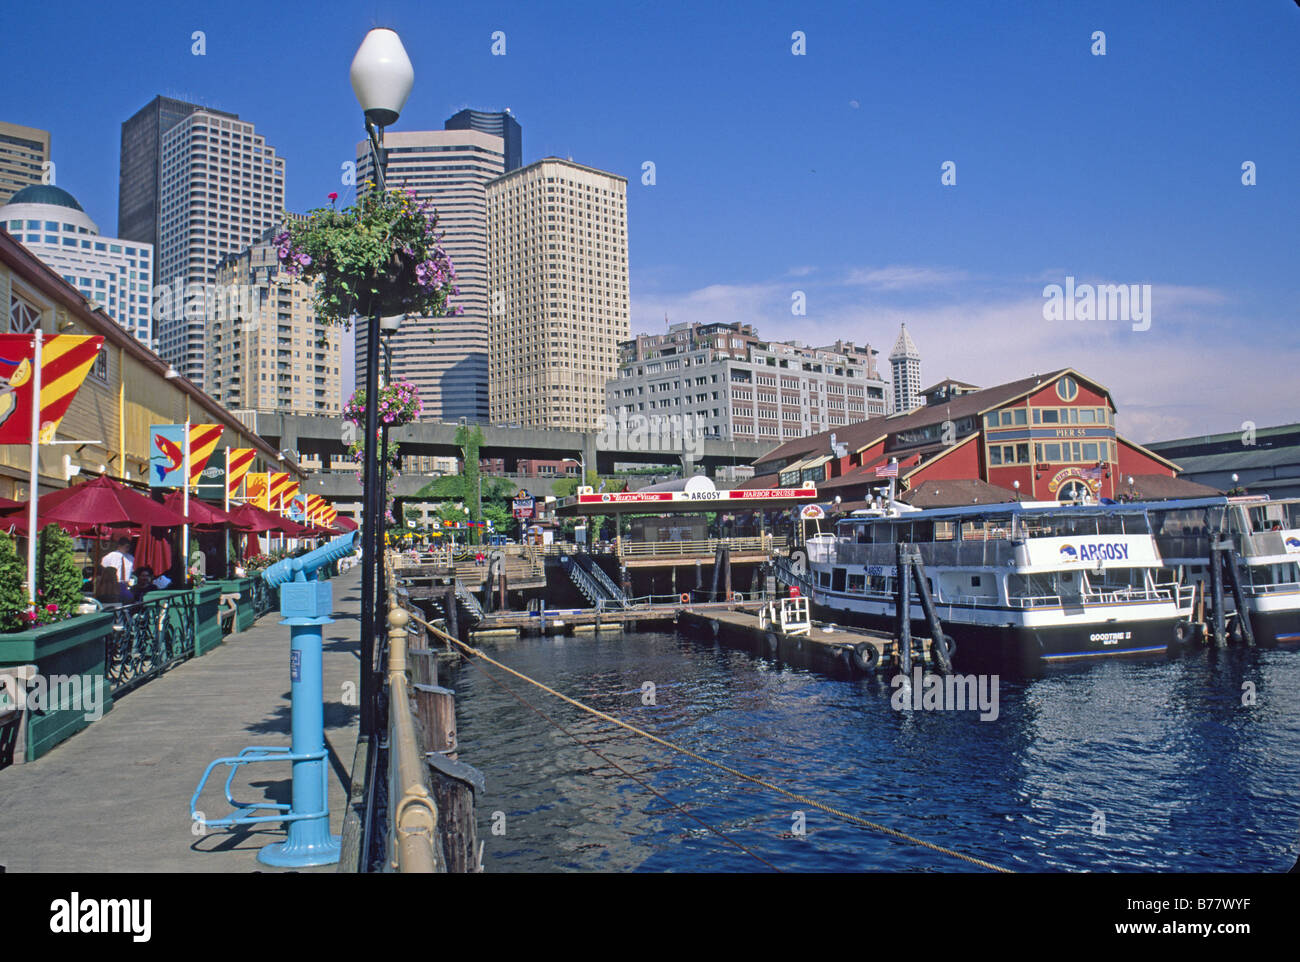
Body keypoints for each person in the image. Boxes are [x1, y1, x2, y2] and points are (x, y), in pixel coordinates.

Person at [100, 536, 134, 603]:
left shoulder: (131, 558)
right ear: (119, 546)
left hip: (126, 583)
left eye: (129, 547)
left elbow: (132, 570)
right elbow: (103, 567)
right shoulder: (111, 555)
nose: (128, 549)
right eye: (126, 546)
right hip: (114, 583)